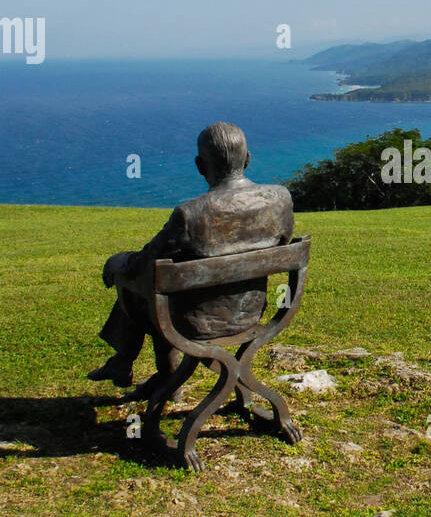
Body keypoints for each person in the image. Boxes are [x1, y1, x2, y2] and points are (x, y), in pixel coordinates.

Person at [88, 122, 294, 389]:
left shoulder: (190, 214)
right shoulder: (280, 199)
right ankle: (132, 366)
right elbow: (283, 242)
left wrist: (116, 263)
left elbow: (144, 261)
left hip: (192, 321)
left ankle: (146, 370)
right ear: (248, 159)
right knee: (159, 283)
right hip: (250, 311)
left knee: (141, 286)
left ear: (200, 166)